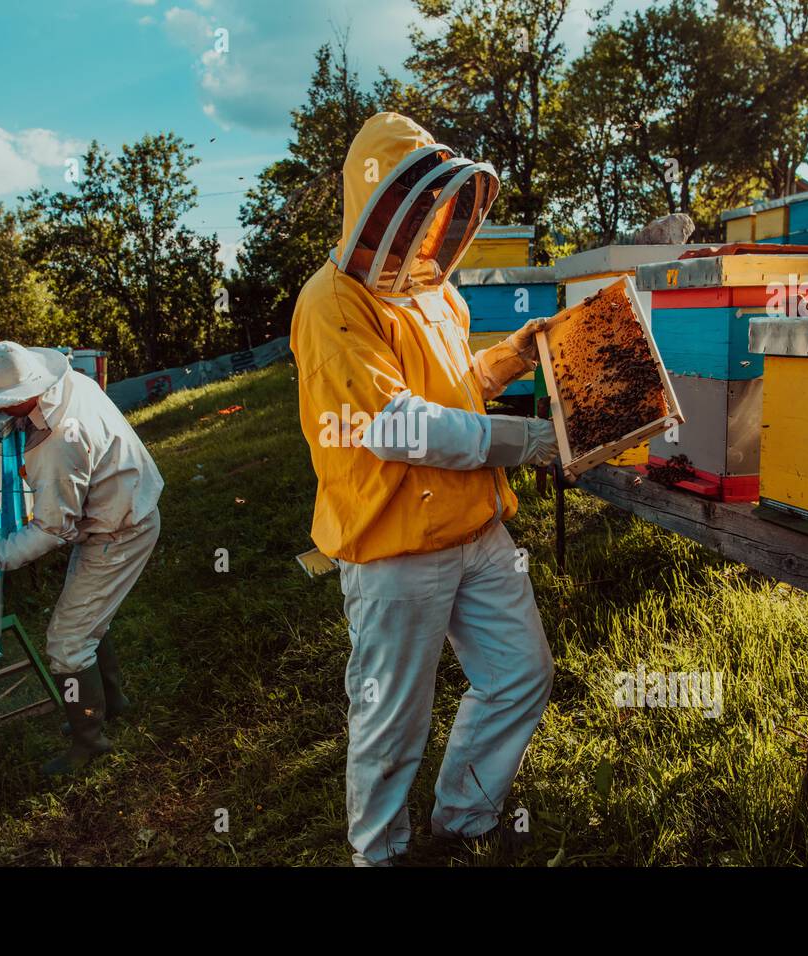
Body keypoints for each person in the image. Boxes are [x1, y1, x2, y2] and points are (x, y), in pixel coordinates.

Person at [290, 112, 558, 866]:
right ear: (372, 205)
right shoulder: (332, 303)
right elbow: (397, 426)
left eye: (432, 204)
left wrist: (509, 358)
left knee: (520, 676)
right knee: (391, 718)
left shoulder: (435, 292)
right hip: (393, 543)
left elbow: (452, 393)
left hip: (478, 529)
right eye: (408, 203)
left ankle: (464, 821)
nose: (423, 228)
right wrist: (527, 441)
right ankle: (381, 854)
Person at [0, 342, 164, 776]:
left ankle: (90, 743)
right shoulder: (69, 382)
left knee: (66, 644)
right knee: (85, 620)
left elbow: (51, 530)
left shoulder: (58, 442)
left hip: (119, 531)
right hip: (121, 508)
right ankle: (112, 703)